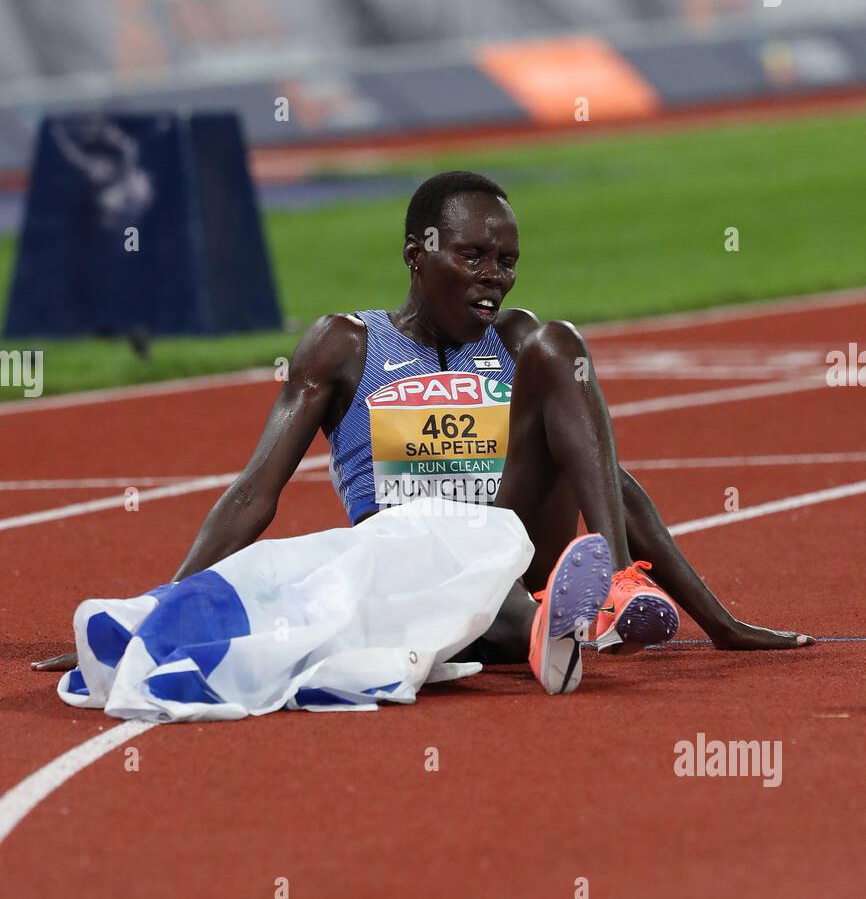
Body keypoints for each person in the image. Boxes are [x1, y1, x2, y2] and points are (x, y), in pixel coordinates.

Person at [34, 171, 813, 698]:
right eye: (472, 255)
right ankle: (546, 630)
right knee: (493, 611)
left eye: (506, 260)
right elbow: (253, 494)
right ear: (417, 254)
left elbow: (604, 479)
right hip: (411, 568)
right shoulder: (346, 345)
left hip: (510, 546)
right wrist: (156, 613)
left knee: (559, 343)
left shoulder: (515, 341)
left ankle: (609, 589)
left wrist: (721, 623)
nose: (493, 276)